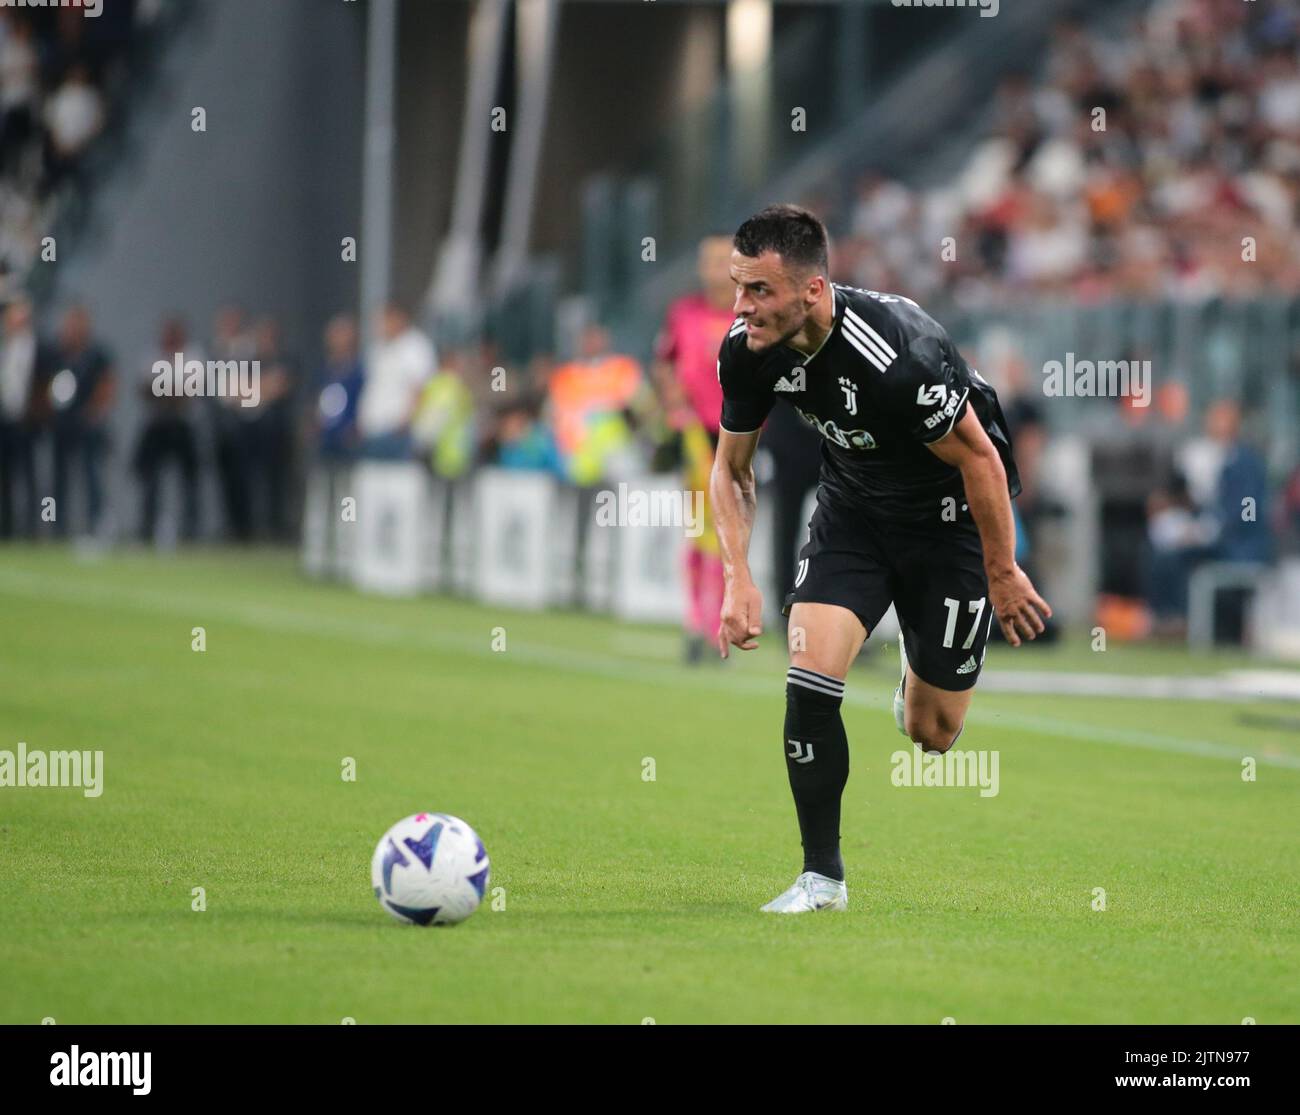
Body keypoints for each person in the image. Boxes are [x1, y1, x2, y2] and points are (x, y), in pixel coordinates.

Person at [710, 204, 1050, 914]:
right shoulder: (748, 349)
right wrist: (736, 576)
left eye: (758, 291)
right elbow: (732, 469)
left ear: (811, 290)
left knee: (934, 732)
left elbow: (980, 461)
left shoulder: (899, 353)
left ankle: (915, 684)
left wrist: (1002, 571)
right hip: (855, 514)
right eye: (740, 288)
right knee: (808, 677)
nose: (742, 307)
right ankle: (821, 876)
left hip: (949, 523)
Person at [652, 235, 739, 663]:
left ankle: (713, 623)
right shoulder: (683, 312)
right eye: (707, 260)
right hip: (695, 432)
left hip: (739, 435)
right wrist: (674, 404)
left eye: (722, 259)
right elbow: (664, 362)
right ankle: (698, 623)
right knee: (704, 526)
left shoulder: (750, 314)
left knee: (728, 531)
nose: (713, 268)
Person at [48, 304, 113, 537]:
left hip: (88, 425)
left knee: (92, 476)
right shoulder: (57, 353)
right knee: (59, 477)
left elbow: (108, 385)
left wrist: (96, 412)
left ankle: (97, 524)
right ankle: (57, 525)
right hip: (62, 425)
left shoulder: (97, 354)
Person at [134, 316, 200, 543]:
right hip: (157, 425)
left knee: (189, 480)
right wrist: (170, 390)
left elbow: (190, 392)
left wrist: (165, 390)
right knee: (150, 479)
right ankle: (146, 527)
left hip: (184, 426)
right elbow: (144, 388)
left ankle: (191, 529)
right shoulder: (152, 356)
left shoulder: (193, 356)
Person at [357, 303, 435, 460]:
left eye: (384, 321)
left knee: (398, 481)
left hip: (397, 432)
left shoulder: (415, 346)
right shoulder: (378, 348)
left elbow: (420, 388)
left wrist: (404, 423)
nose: (380, 327)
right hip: (372, 430)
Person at [0, 296, 45, 537]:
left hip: (27, 423)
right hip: (4, 422)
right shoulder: (4, 347)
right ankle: (6, 528)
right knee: (5, 479)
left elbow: (43, 384)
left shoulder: (38, 348)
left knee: (29, 477)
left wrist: (37, 412)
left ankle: (32, 528)